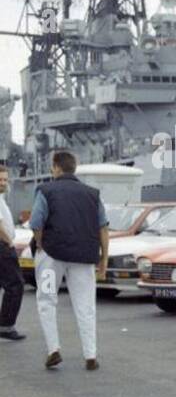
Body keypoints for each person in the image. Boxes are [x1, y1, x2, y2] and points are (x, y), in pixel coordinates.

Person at [28, 149, 109, 370]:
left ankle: (54, 349)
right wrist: (104, 260)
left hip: (50, 257)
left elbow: (36, 223)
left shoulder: (45, 190)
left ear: (56, 167)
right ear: (74, 167)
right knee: (85, 305)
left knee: (46, 300)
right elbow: (103, 228)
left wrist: (42, 246)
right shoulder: (93, 194)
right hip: (84, 257)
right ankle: (90, 355)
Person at [0, 166, 26, 340]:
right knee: (16, 284)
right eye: (0, 180)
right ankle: (6, 326)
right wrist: (9, 242)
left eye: (5, 179)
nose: (2, 183)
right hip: (2, 246)